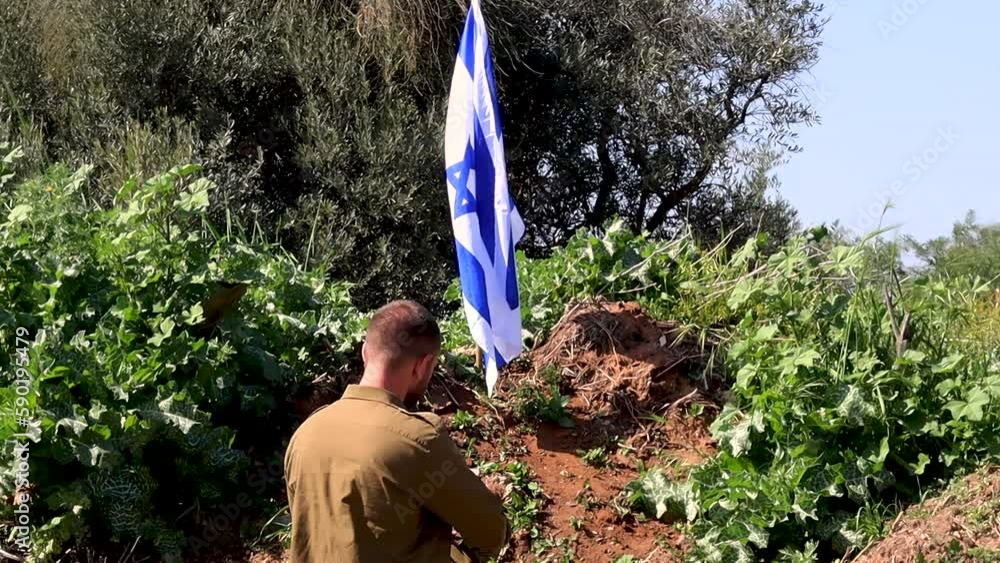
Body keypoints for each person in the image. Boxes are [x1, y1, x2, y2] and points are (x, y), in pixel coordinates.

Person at [284, 300, 510, 563]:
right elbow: (491, 533)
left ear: (365, 353)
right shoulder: (418, 438)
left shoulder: (305, 434)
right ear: (422, 365)